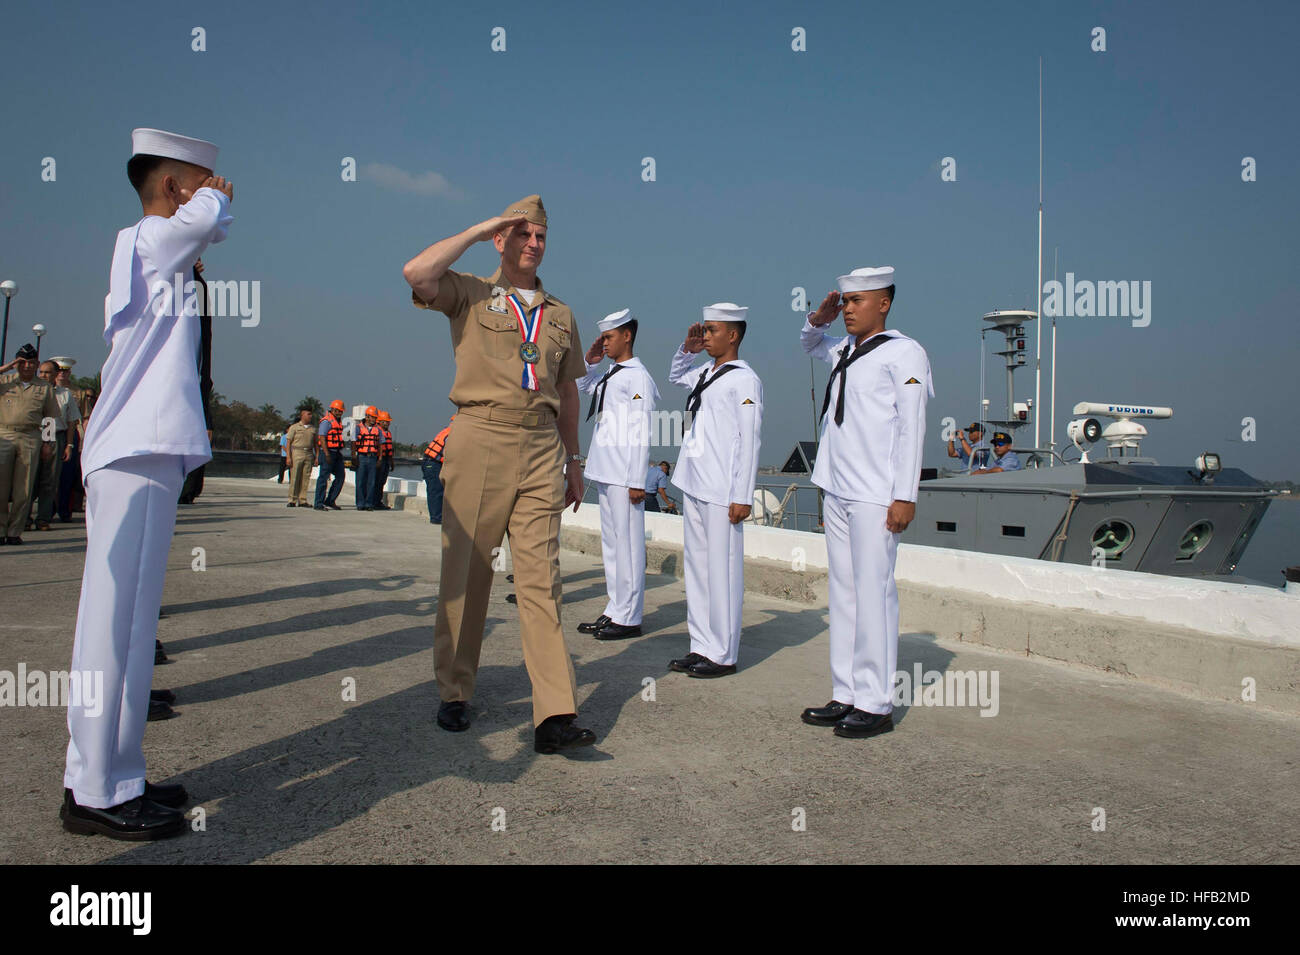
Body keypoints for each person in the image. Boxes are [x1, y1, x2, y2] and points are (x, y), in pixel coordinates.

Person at [61, 127, 233, 840]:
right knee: (112, 628)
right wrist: (210, 200)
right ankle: (93, 788)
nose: (216, 193)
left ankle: (116, 774)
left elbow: (209, 228)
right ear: (170, 188)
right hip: (133, 452)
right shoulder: (149, 238)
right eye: (200, 181)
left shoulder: (160, 249)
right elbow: (205, 222)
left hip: (147, 452)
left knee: (131, 630)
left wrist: (207, 204)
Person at [403, 193, 595, 753]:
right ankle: (455, 690)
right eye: (521, 235)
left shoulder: (561, 314)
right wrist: (482, 226)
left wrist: (574, 459)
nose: (533, 244)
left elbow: (567, 391)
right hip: (480, 436)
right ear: (500, 240)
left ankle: (554, 714)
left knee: (542, 580)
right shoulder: (469, 292)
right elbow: (417, 273)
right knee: (468, 572)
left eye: (540, 237)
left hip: (541, 445)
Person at [797, 267, 932, 740]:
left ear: (884, 303)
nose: (849, 309)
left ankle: (875, 703)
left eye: (857, 301)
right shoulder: (843, 348)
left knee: (874, 593)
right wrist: (818, 319)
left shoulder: (904, 352)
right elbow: (810, 343)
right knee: (844, 592)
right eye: (845, 301)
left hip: (876, 492)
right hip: (837, 485)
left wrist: (905, 494)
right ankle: (846, 692)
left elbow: (912, 426)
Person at [665, 304, 763, 679]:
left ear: (733, 335)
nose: (705, 336)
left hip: (723, 487)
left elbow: (749, 439)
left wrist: (743, 494)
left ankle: (722, 653)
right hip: (694, 480)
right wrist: (686, 350)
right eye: (704, 330)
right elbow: (676, 376)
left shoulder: (745, 380)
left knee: (722, 572)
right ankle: (701, 645)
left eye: (712, 330)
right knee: (698, 570)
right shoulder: (705, 372)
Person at [574, 309, 659, 640]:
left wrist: (638, 480)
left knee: (628, 547)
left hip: (625, 475)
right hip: (605, 470)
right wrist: (591, 361)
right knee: (611, 546)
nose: (604, 342)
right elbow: (583, 386)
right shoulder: (610, 374)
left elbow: (641, 430)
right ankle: (615, 608)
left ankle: (629, 618)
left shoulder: (638, 377)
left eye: (609, 337)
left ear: (627, 336)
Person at [0, 344, 60, 544]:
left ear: (37, 364)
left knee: (24, 488)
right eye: (22, 362)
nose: (27, 366)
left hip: (30, 437)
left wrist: (48, 443)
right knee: (1, 486)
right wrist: (7, 367)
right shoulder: (5, 381)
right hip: (4, 433)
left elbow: (50, 417)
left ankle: (14, 531)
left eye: (31, 363)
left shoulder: (44, 387)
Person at [29, 359, 80, 531]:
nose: (43, 375)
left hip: (55, 437)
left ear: (56, 374)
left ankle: (43, 518)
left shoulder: (65, 394)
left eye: (47, 372)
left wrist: (69, 445)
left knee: (49, 479)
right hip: (34, 436)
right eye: (41, 372)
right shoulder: (32, 390)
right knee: (29, 479)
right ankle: (24, 517)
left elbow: (72, 421)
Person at [314, 399, 346, 510]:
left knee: (341, 476)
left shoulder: (338, 421)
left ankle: (330, 500)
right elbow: (322, 437)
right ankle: (318, 503)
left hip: (336, 453)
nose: (339, 413)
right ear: (332, 409)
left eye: (341, 411)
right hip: (328, 452)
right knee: (323, 477)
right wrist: (327, 454)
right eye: (337, 411)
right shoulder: (326, 421)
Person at [422, 415, 454, 524]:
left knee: (435, 490)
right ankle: (436, 517)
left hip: (430, 463)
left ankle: (437, 516)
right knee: (436, 491)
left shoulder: (446, 431)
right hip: (433, 464)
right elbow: (448, 453)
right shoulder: (451, 434)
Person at [285, 408, 316, 506]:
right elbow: (288, 442)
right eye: (308, 414)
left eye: (311, 414)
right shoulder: (294, 427)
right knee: (295, 477)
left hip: (309, 453)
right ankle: (292, 499)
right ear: (302, 415)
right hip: (297, 452)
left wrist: (317, 456)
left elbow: (315, 444)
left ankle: (302, 500)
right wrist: (288, 457)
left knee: (305, 478)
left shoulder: (313, 429)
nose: (310, 416)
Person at [353, 406, 381, 511]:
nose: (374, 419)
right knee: (360, 481)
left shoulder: (378, 429)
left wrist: (380, 459)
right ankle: (360, 504)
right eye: (373, 417)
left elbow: (381, 445)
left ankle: (369, 504)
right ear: (367, 417)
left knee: (371, 482)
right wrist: (354, 456)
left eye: (375, 417)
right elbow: (353, 442)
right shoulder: (358, 428)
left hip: (373, 457)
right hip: (362, 457)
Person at [375, 410, 394, 509]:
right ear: (380, 422)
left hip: (386, 459)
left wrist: (391, 462)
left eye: (388, 422)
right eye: (385, 422)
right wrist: (379, 459)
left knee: (382, 481)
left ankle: (378, 502)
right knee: (377, 481)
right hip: (379, 459)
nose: (387, 423)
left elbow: (390, 448)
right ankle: (374, 502)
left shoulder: (388, 433)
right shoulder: (377, 432)